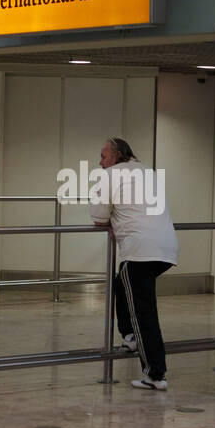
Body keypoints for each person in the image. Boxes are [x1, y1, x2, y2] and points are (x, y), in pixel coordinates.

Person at [90, 137, 177, 391]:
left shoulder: (109, 175)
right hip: (166, 247)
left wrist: (111, 221)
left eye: (103, 156)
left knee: (144, 313)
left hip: (140, 250)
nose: (100, 162)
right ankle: (128, 336)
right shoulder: (147, 171)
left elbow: (98, 217)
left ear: (116, 157)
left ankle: (155, 374)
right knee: (122, 282)